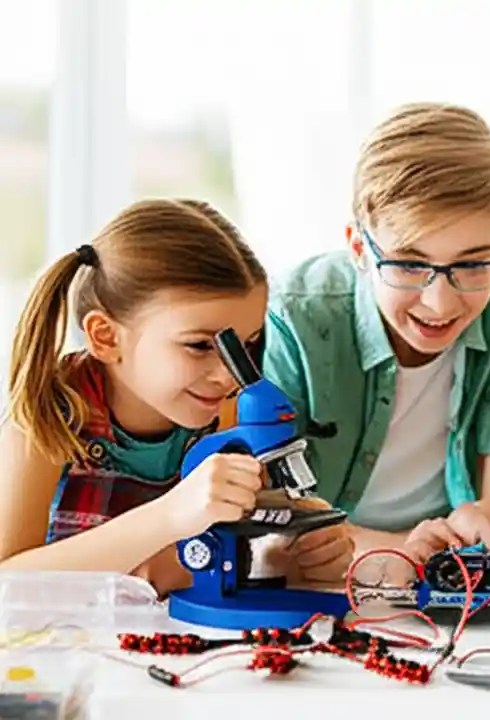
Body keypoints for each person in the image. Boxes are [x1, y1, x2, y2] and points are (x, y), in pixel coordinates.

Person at [262, 103, 490, 563]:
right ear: (359, 246)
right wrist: (403, 550)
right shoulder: (293, 315)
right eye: (409, 264)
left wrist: (466, 530)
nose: (440, 303)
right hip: (329, 577)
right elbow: (272, 517)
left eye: (473, 263)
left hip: (446, 572)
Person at [0, 199, 352, 595]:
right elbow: (9, 580)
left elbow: (223, 546)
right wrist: (169, 517)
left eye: (246, 348)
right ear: (105, 336)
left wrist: (303, 547)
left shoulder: (224, 412)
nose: (227, 377)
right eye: (200, 345)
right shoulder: (46, 417)